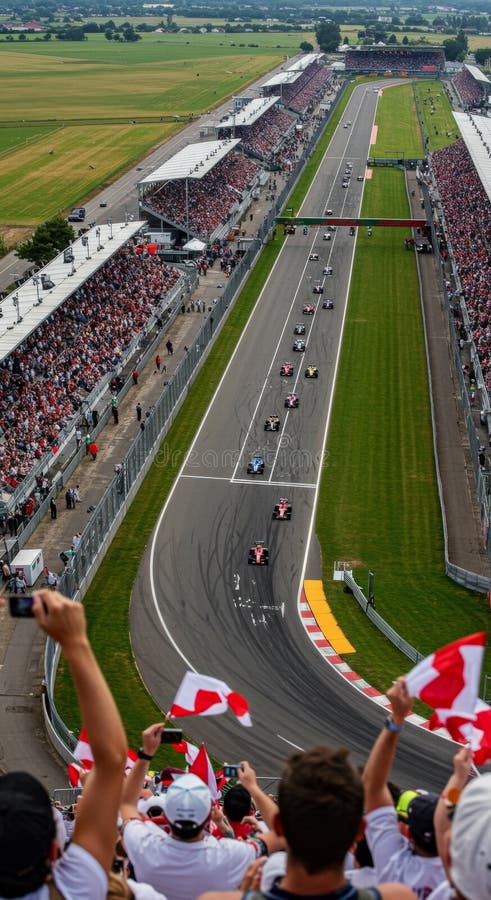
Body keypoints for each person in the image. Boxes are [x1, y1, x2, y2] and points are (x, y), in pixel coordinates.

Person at [0, 588, 127, 899]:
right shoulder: (80, 887)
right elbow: (111, 761)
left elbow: (111, 762)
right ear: (56, 849)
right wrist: (76, 642)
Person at [200, 747, 414, 900]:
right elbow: (377, 790)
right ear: (359, 832)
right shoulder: (399, 894)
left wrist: (254, 788)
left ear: (280, 828)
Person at [121, 727, 284, 900]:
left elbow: (126, 803)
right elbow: (284, 833)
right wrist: (253, 787)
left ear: (166, 815)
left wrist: (147, 753)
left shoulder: (143, 844)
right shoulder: (231, 854)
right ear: (209, 816)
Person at [363, 679, 445, 898]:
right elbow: (374, 785)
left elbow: (373, 784)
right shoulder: (460, 877)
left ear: (408, 832)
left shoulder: (392, 863)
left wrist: (397, 718)